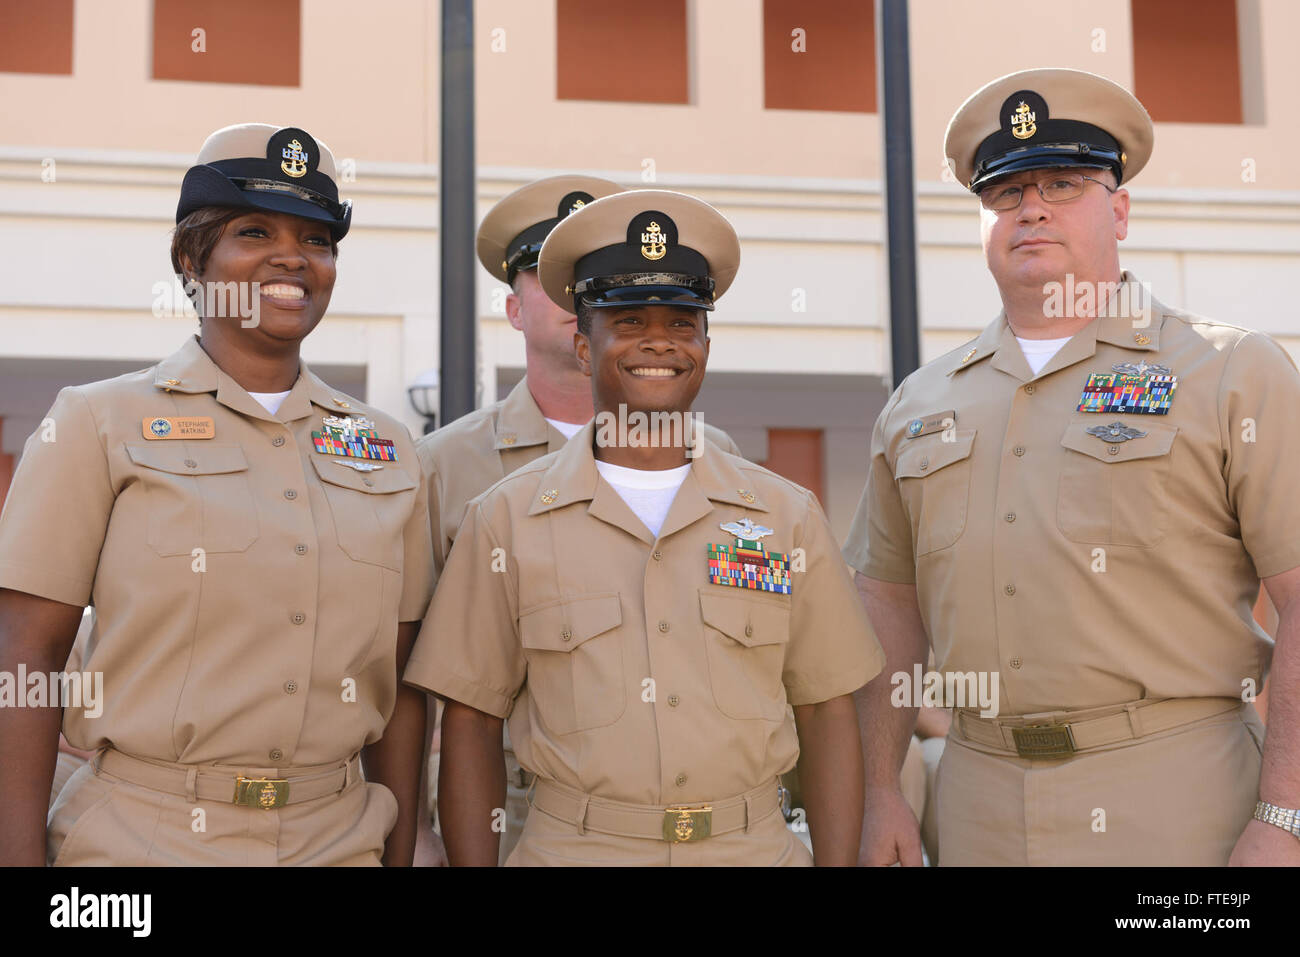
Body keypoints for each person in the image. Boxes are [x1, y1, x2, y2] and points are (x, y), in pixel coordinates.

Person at [846, 67, 1300, 866]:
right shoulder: (918, 403)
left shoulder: (1230, 372)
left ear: (1119, 209)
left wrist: (1285, 814)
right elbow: (887, 609)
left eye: (1063, 182)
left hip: (1180, 807)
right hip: (976, 805)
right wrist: (881, 787)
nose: (1032, 208)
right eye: (1007, 191)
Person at [405, 189, 883, 865]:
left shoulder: (786, 516)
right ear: (582, 343)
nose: (658, 342)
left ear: (707, 344)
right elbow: (472, 722)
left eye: (682, 323)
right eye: (628, 321)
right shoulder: (505, 519)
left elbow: (828, 710)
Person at [0, 123, 433, 866]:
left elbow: (396, 684)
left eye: (317, 239)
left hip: (338, 840)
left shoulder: (391, 450)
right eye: (254, 230)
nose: (292, 256)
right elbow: (22, 656)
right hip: (141, 842)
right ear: (190, 258)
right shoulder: (96, 421)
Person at [415, 175, 741, 864]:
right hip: (506, 809)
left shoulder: (722, 463)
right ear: (511, 305)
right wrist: (415, 828)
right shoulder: (440, 467)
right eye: (550, 276)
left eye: (595, 278)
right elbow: (404, 673)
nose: (574, 298)